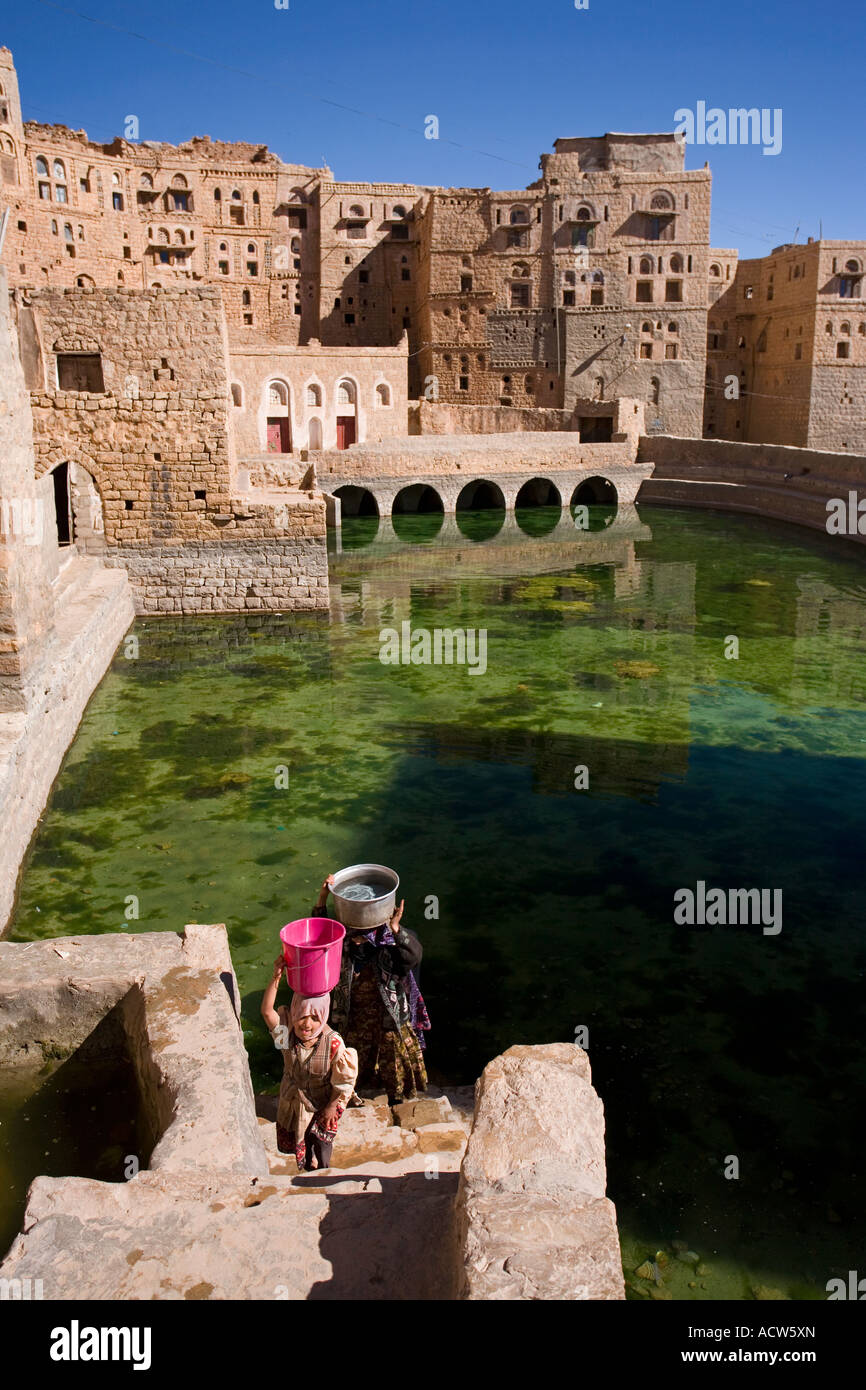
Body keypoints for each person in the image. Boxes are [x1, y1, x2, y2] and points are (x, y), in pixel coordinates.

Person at [314, 873, 430, 1105]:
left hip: (390, 1021)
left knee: (394, 1069)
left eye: (361, 937)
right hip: (356, 1019)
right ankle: (353, 1098)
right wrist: (323, 898)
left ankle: (396, 1102)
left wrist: (396, 929)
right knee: (353, 1066)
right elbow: (320, 936)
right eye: (355, 937)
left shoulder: (391, 948)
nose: (357, 941)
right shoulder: (344, 945)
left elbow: (414, 955)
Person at [260, 963, 358, 1171]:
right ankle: (308, 1166)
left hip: (324, 1104)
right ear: (294, 1014)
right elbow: (267, 1012)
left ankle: (323, 1169)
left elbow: (344, 1081)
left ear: (323, 1017)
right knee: (300, 1138)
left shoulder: (333, 1043)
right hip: (294, 1101)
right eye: (302, 1016)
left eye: (315, 1018)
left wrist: (332, 1106)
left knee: (322, 1144)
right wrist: (276, 977)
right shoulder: (286, 1038)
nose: (307, 1024)